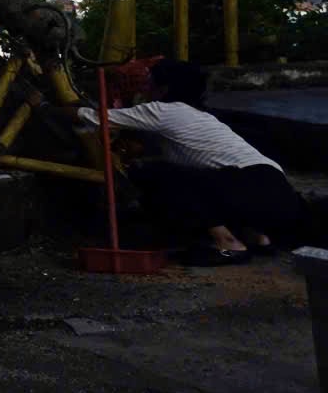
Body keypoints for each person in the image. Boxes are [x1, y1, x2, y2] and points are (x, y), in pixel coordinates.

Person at [73, 59, 308, 263]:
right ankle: (258, 238)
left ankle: (228, 244)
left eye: (149, 82)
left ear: (163, 88)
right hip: (280, 193)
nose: (145, 88)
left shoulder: (164, 111)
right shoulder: (201, 117)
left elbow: (96, 118)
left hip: (250, 186)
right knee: (203, 177)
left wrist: (44, 105)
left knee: (155, 173)